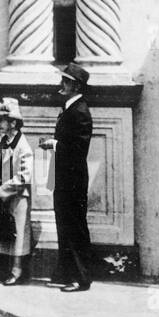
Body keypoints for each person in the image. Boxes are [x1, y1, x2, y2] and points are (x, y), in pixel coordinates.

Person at [40, 62, 93, 292]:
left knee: (74, 228)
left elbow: (78, 149)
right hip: (63, 178)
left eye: (65, 81)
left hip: (72, 180)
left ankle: (81, 278)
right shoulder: (70, 108)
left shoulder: (79, 111)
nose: (61, 85)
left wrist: (54, 144)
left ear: (75, 86)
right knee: (65, 225)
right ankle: (67, 273)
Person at [0, 98, 34, 285]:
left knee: (18, 233)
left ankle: (17, 270)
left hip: (17, 197)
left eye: (2, 120)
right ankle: (5, 267)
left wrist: (4, 188)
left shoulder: (23, 147)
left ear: (13, 123)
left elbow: (25, 176)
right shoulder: (5, 142)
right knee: (6, 231)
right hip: (6, 196)